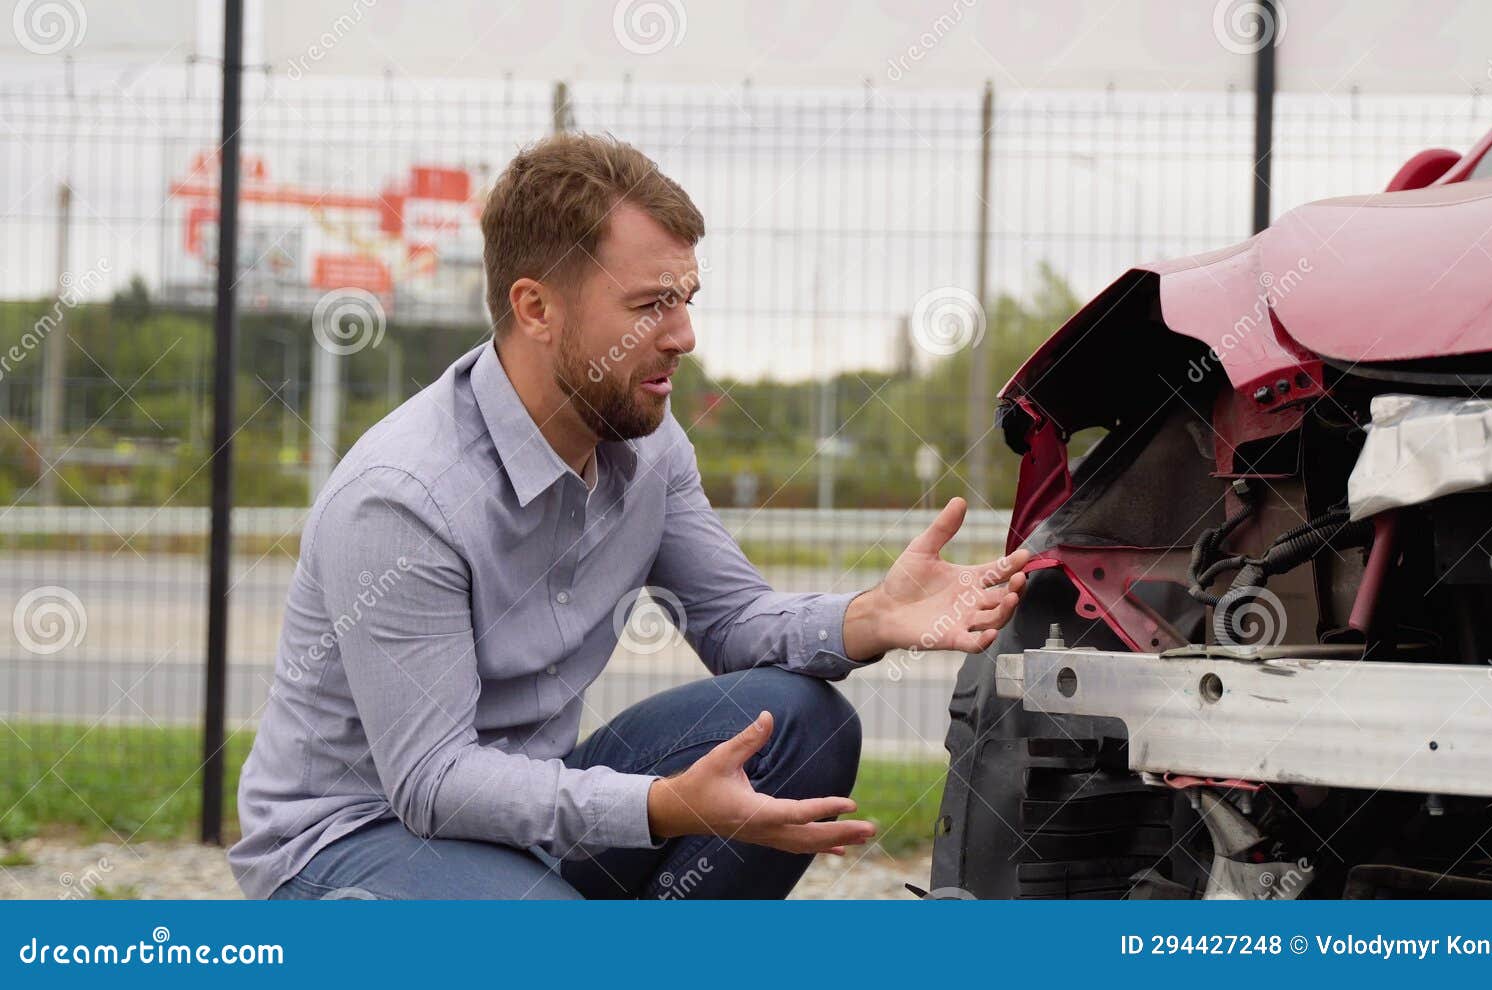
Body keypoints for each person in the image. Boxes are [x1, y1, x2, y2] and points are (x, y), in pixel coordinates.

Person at [229, 133, 1031, 900]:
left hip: (520, 814)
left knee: (802, 722)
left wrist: (873, 616)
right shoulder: (405, 496)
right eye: (651, 305)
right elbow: (433, 783)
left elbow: (735, 623)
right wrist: (660, 807)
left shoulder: (648, 444)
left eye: (685, 300)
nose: (684, 336)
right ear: (536, 308)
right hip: (358, 837)